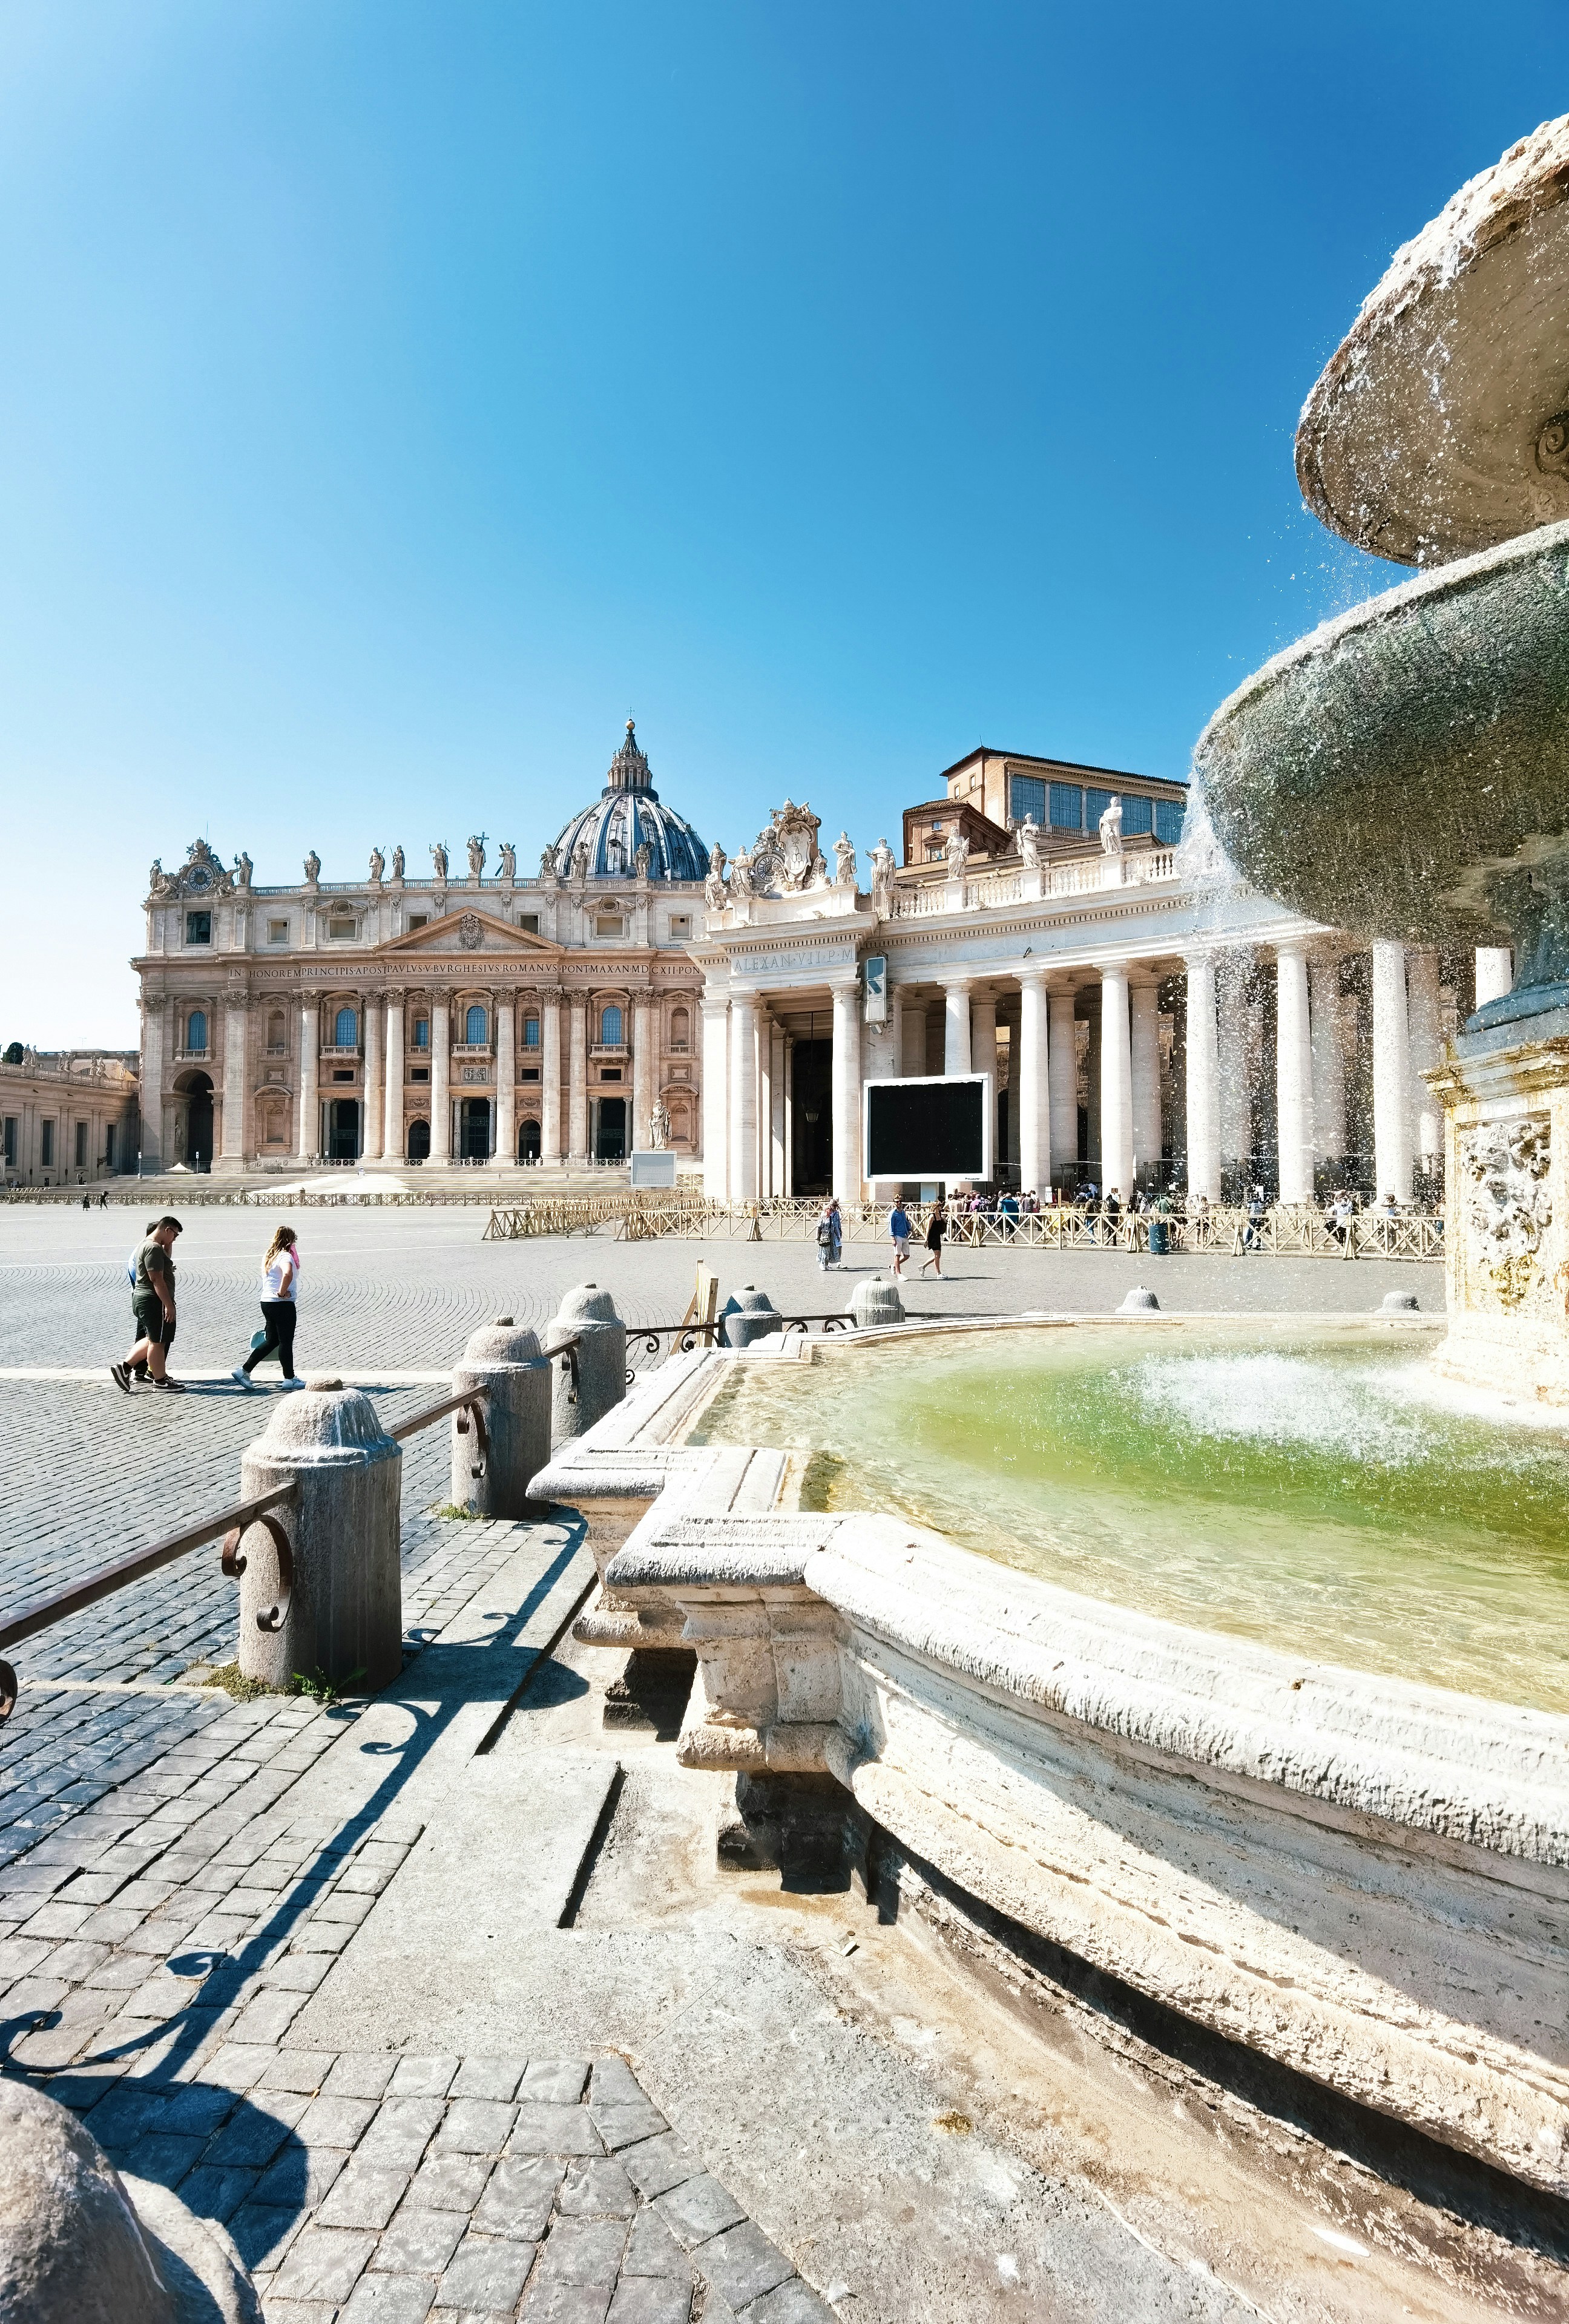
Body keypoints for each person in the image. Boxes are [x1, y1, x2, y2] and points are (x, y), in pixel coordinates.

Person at [113, 1216, 183, 1393]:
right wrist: (169, 1305)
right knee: (158, 1341)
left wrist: (168, 1244)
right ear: (167, 1230)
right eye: (175, 1235)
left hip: (145, 1298)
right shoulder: (152, 1248)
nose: (174, 1239)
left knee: (153, 1338)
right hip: (153, 1299)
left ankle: (125, 1368)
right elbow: (156, 1280)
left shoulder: (149, 1245)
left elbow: (164, 1261)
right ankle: (160, 1381)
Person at [233, 1226, 306, 1389]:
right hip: (281, 1304)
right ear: (290, 1241)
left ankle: (244, 1371)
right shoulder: (285, 1256)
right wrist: (282, 1292)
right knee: (286, 1341)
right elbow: (288, 1274)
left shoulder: (270, 1255)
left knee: (272, 1340)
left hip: (266, 1302)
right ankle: (289, 1378)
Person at [919, 1197, 947, 1277]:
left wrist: (944, 1221)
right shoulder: (932, 1216)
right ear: (936, 1207)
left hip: (938, 1236)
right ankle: (938, 1273)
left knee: (938, 1255)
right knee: (937, 1254)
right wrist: (926, 1240)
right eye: (940, 1206)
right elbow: (927, 1229)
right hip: (932, 1237)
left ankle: (923, 1266)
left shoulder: (940, 1215)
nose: (941, 1207)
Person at [888, 1199, 912, 1276]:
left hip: (904, 1235)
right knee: (897, 1255)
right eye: (897, 1201)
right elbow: (891, 1226)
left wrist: (909, 1228)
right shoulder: (893, 1213)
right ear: (894, 1203)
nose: (899, 1203)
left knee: (907, 1255)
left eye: (900, 1201)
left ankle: (893, 1266)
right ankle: (899, 1273)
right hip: (897, 1235)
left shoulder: (902, 1212)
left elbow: (905, 1221)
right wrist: (892, 1237)